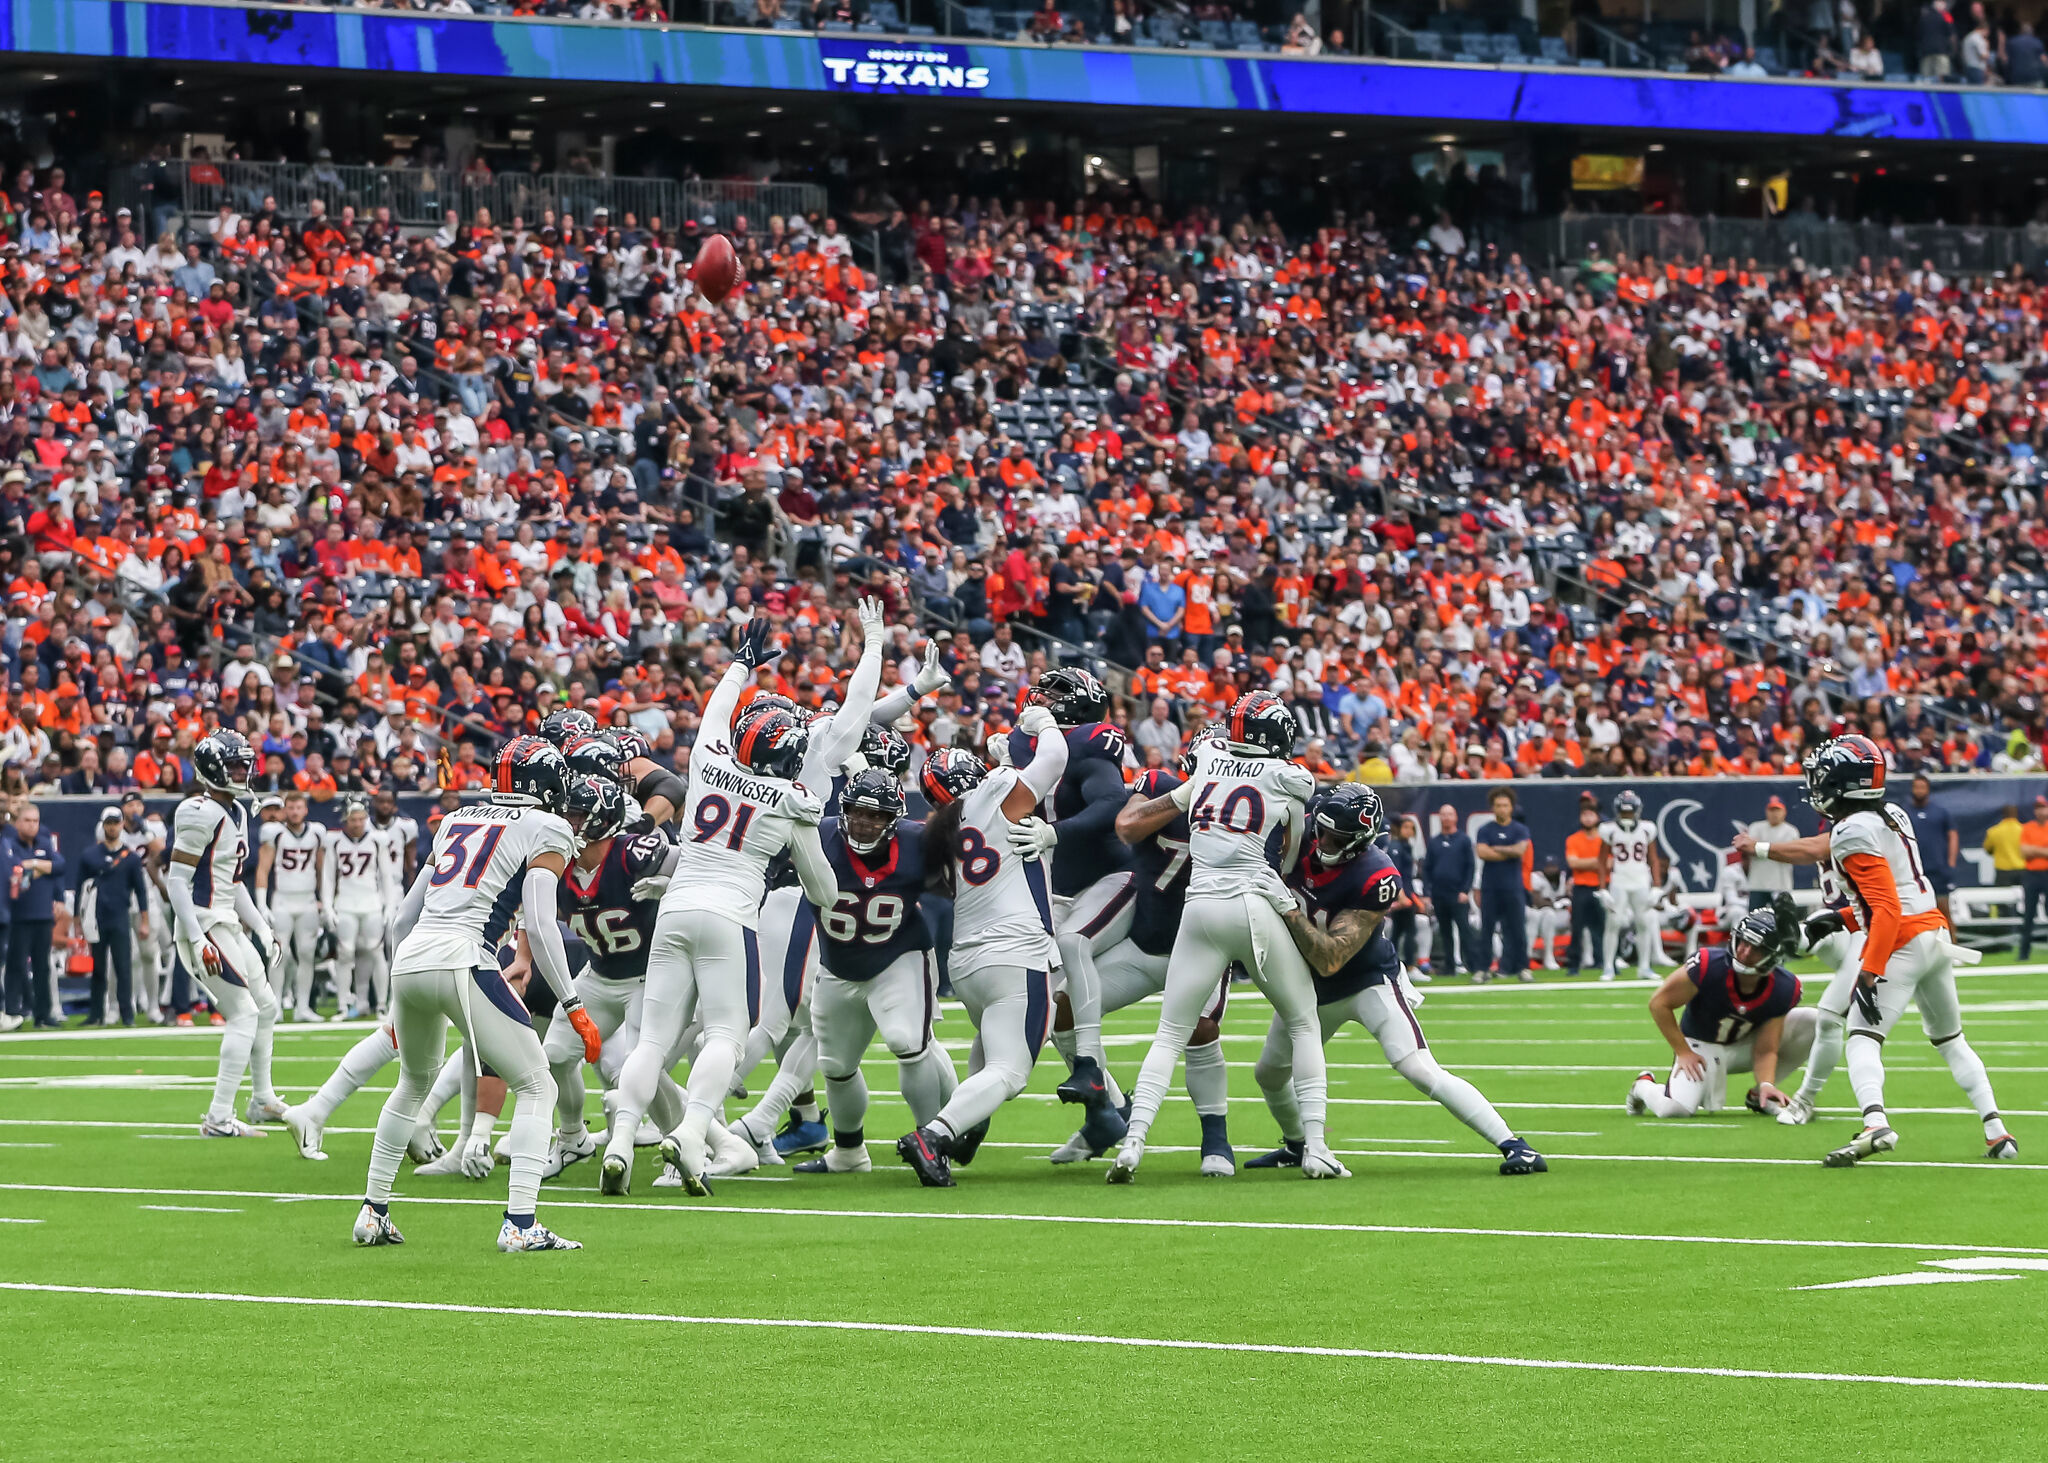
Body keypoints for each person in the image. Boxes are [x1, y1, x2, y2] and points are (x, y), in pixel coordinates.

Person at [607, 619, 836, 1197]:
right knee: (727, 1037)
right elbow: (825, 892)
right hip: (731, 917)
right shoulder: (790, 800)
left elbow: (717, 707)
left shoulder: (708, 761)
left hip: (677, 905)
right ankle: (689, 1133)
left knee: (654, 1041)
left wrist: (742, 664)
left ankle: (619, 1142)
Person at [354, 735, 599, 1252]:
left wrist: (399, 999)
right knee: (537, 1085)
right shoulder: (547, 826)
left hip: (414, 958)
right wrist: (573, 1003)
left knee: (412, 1083)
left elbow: (403, 918)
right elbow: (539, 918)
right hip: (466, 957)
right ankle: (521, 1222)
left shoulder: (459, 819)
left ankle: (373, 1211)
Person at [1737, 736, 2014, 1165]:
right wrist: (1844, 918)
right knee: (1951, 1039)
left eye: (1824, 777)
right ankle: (1997, 1131)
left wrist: (1870, 968)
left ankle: (1874, 1123)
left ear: (1843, 784)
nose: (1817, 785)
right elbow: (1897, 893)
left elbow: (1885, 906)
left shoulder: (1850, 830)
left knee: (1862, 1037)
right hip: (1934, 935)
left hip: (1901, 940)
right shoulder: (1893, 813)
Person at [1105, 690, 1342, 1183]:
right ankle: (1315, 1146)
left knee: (1169, 1032)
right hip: (1252, 903)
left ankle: (1133, 1143)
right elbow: (1294, 852)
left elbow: (1173, 804)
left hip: (1198, 906)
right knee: (1302, 1022)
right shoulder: (1291, 776)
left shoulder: (1208, 758)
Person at [1255, 786, 1546, 1174]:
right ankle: (1297, 1144)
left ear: (1359, 840)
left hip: (1366, 981)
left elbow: (1331, 958)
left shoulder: (1375, 873)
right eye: (1321, 831)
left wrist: (1290, 910)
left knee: (1419, 1068)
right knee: (1269, 1073)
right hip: (1310, 990)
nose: (1322, 841)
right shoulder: (1302, 833)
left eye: (1335, 838)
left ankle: (1515, 1145)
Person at [894, 712, 1069, 1188]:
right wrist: (1045, 722)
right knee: (1011, 1070)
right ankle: (934, 1134)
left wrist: (1009, 759)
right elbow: (1055, 757)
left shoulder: (940, 828)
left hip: (968, 961)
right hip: (1014, 949)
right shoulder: (994, 793)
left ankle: (965, 1125)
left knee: (991, 1050)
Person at [1053, 743, 1234, 1172]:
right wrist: (1184, 796)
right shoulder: (1160, 786)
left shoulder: (1247, 814)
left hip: (1205, 947)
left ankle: (1216, 1141)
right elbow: (1127, 826)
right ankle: (1108, 1111)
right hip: (1146, 943)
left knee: (1201, 1030)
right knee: (1060, 1011)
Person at [795, 769, 955, 1174]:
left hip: (898, 956)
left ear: (893, 819)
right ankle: (849, 1153)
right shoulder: (816, 834)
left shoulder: (918, 843)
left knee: (907, 1041)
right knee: (834, 1065)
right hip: (838, 964)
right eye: (856, 812)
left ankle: (930, 1141)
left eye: (876, 815)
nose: (864, 822)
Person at [1030, 665, 1138, 1153]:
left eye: (1053, 695)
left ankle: (1091, 1069)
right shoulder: (1031, 745)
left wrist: (1056, 831)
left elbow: (1111, 803)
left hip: (1113, 879)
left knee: (1073, 943)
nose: (1040, 700)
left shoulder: (1092, 742)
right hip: (1063, 889)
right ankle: (1110, 1114)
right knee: (1048, 1008)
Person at [164, 730, 288, 1136]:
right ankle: (218, 1117)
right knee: (243, 1014)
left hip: (226, 921)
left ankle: (261, 1099)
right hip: (204, 922)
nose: (243, 771)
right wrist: (196, 937)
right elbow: (177, 881)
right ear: (213, 768)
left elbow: (233, 884)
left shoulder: (236, 811)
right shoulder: (199, 810)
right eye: (235, 764)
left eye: (244, 763)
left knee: (267, 1007)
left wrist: (261, 926)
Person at [1625, 905, 1815, 1119]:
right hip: (1699, 1048)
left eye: (1756, 948)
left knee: (1812, 1021)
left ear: (1773, 954)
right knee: (1674, 1110)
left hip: (1743, 1046)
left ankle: (1760, 1095)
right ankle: (1643, 1086)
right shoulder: (1708, 965)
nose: (1744, 951)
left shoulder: (1784, 987)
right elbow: (1659, 1003)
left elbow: (1766, 1049)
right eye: (1744, 942)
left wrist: (1766, 1083)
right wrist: (1683, 1051)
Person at [256, 791, 326, 1021]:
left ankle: (302, 1006)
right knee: (279, 953)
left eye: (299, 807)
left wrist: (324, 900)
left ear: (305, 809)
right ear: (285, 810)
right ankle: (275, 1003)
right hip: (282, 900)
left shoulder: (317, 833)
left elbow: (322, 871)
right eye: (291, 808)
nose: (295, 812)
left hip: (306, 900)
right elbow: (263, 869)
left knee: (307, 954)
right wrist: (261, 903)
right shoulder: (274, 833)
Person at [323, 797, 395, 1019]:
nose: (357, 823)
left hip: (371, 902)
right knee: (345, 954)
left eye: (361, 819)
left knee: (376, 952)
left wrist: (389, 905)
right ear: (346, 820)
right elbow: (328, 877)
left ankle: (381, 1005)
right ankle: (343, 1004)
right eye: (353, 819)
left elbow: (386, 876)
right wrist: (327, 906)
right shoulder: (334, 841)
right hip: (345, 902)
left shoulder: (377, 840)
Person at [77, 808, 150, 1025]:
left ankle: (127, 1013)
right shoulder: (90, 855)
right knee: (98, 968)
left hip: (119, 916)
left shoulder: (131, 858)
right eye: (108, 823)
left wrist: (144, 920)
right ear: (103, 825)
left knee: (123, 967)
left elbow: (141, 890)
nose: (112, 826)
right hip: (96, 919)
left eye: (115, 822)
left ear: (120, 825)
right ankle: (96, 1013)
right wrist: (77, 921)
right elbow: (80, 887)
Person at [3, 803, 64, 1028]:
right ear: (18, 822)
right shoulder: (10, 844)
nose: (32, 825)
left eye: (36, 821)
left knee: (43, 967)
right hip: (20, 915)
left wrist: (35, 865)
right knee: (16, 966)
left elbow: (60, 867)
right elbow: (15, 873)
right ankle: (12, 1013)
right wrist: (38, 869)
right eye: (27, 820)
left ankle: (43, 1014)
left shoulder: (45, 844)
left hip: (42, 914)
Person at [1600, 790, 1665, 981]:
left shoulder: (1647, 828)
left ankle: (1644, 967)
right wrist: (1602, 888)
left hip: (1640, 880)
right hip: (1619, 880)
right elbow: (1602, 860)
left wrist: (1657, 886)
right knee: (1613, 924)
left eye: (1629, 812)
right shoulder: (1609, 829)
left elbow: (1653, 859)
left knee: (1644, 923)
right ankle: (1608, 967)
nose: (1627, 816)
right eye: (1624, 812)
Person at [1473, 790, 1531, 983]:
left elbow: (1520, 850)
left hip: (1513, 887)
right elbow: (1482, 852)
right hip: (1490, 887)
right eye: (1498, 805)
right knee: (1487, 930)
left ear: (1511, 807)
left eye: (1505, 805)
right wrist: (1508, 851)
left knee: (1518, 929)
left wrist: (1496, 848)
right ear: (1493, 808)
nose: (1502, 809)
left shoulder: (1519, 829)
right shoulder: (1485, 830)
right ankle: (1483, 968)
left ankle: (1523, 967)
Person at [1423, 804, 1475, 976]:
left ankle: (1472, 964)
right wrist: (1428, 892)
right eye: (1443, 814)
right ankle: (1449, 966)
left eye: (1449, 814)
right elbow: (1428, 868)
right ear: (1439, 817)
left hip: (1457, 893)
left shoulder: (1463, 840)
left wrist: (1465, 890)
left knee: (1464, 929)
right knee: (1445, 932)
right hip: (1439, 894)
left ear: (1455, 817)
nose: (1446, 818)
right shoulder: (1435, 841)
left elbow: (1470, 867)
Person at [1904, 773, 1958, 928]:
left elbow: (1953, 835)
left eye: (1922, 787)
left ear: (1928, 789)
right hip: (1913, 872)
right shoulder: (1904, 813)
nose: (1919, 790)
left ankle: (1953, 948)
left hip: (1937, 870)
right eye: (1916, 787)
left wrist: (1951, 862)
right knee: (1913, 914)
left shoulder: (1940, 812)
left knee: (1944, 912)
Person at [1563, 802, 1607, 976]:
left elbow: (1610, 863)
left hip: (1601, 886)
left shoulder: (1604, 839)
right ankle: (1574, 964)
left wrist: (1588, 863)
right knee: (1577, 927)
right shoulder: (1573, 839)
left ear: (1597, 817)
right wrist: (1597, 862)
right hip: (1581, 887)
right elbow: (1573, 862)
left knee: (1604, 926)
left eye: (1591, 815)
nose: (1588, 818)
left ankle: (1605, 961)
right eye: (1585, 815)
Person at [1743, 796, 1796, 910]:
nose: (1774, 814)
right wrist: (1776, 850)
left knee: (1781, 920)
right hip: (1758, 885)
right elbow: (1749, 849)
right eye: (1771, 810)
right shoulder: (1756, 827)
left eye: (1777, 810)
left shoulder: (1790, 830)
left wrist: (1760, 847)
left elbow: (1790, 854)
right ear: (1766, 811)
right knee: (1755, 919)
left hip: (1781, 885)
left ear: (1784, 811)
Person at [2017, 795, 2048, 960]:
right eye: (2038, 808)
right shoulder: (2028, 828)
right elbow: (2023, 852)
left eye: (2043, 807)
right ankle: (2024, 953)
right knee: (2028, 914)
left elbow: (2030, 851)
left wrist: (2034, 850)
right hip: (2032, 874)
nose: (2040, 811)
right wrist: (2043, 850)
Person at [1530, 857, 1568, 970]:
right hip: (1540, 913)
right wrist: (1554, 904)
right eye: (1549, 867)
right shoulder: (1536, 877)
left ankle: (1583, 957)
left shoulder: (1561, 877)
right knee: (1549, 914)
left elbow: (1564, 896)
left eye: (1553, 866)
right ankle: (1548, 957)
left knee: (1579, 919)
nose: (1551, 869)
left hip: (1559, 913)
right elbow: (1536, 901)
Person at [1982, 803, 2025, 887]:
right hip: (2022, 869)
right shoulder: (2024, 830)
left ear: (2003, 814)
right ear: (2016, 814)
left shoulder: (1993, 831)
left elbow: (1988, 849)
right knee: (2024, 897)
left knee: (2002, 898)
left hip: (2003, 871)